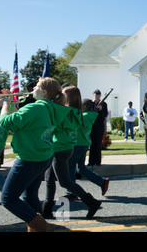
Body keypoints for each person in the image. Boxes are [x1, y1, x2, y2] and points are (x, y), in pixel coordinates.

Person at [0, 77, 70, 232]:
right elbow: (22, 122)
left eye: (36, 86)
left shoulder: (35, 108)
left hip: (28, 157)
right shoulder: (50, 108)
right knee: (30, 196)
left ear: (44, 91)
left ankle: (42, 226)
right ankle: (40, 227)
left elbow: (6, 123)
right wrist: (9, 105)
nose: (32, 88)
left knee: (8, 199)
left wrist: (4, 105)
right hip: (42, 156)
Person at [43, 86, 101, 219]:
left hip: (60, 148)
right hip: (62, 147)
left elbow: (55, 127)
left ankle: (91, 202)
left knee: (64, 182)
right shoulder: (75, 111)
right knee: (49, 179)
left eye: (62, 94)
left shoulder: (67, 112)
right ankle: (47, 209)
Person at [67, 99, 109, 199]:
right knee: (81, 167)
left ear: (85, 107)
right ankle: (101, 181)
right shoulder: (91, 115)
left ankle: (72, 192)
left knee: (71, 166)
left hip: (78, 144)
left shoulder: (84, 116)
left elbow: (74, 125)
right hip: (84, 143)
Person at [88, 89, 108, 166]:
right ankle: (91, 161)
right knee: (92, 144)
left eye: (98, 95)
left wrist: (100, 110)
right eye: (96, 95)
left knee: (98, 144)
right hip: (92, 125)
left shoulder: (104, 104)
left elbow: (105, 115)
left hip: (99, 125)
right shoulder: (90, 103)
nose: (97, 96)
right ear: (93, 95)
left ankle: (98, 161)